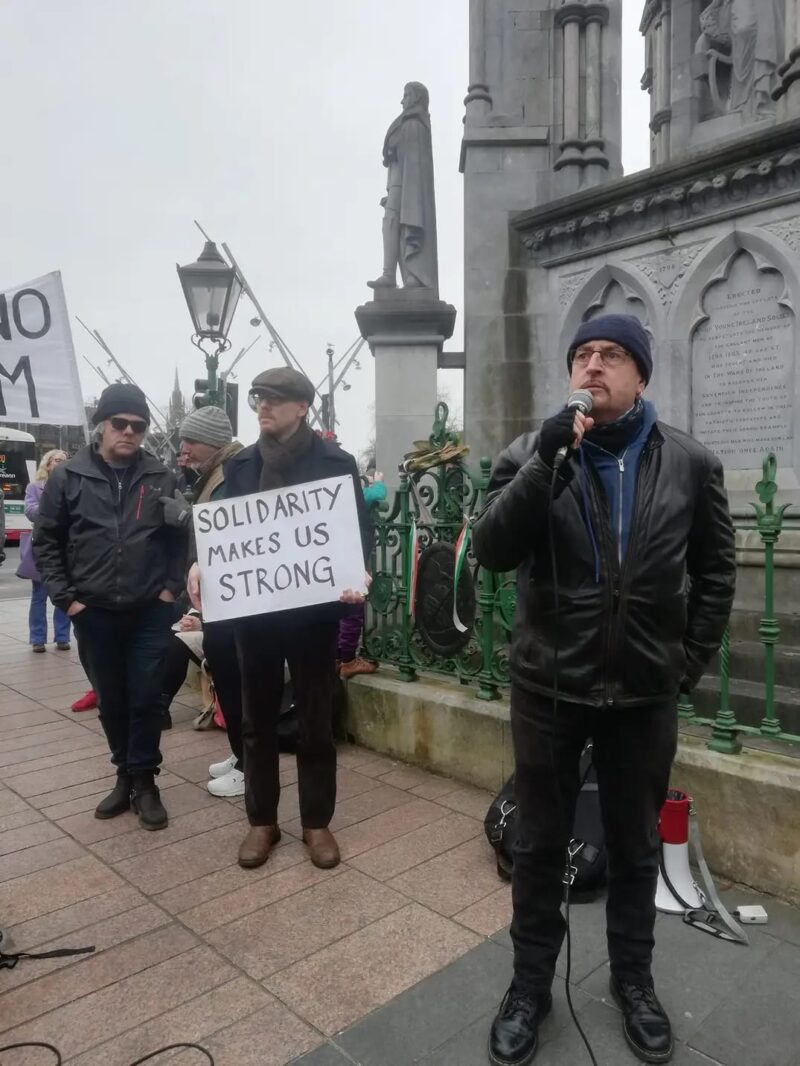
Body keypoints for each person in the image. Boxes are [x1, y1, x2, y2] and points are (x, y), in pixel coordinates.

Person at [472, 314, 736, 1066]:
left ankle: (634, 981)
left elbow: (716, 572)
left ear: (641, 375)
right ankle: (529, 987)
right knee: (537, 844)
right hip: (549, 686)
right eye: (582, 355)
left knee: (634, 843)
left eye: (612, 355)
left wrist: (684, 665)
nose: (593, 366)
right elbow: (491, 548)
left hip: (644, 692)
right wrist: (545, 463)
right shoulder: (531, 452)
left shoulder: (690, 463)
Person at [188, 367, 372, 870]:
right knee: (256, 720)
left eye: (274, 398)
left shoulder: (336, 462)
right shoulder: (242, 464)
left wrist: (357, 574)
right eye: (258, 398)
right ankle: (262, 821)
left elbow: (357, 531)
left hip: (313, 615)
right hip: (256, 617)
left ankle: (316, 822)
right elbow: (220, 530)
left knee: (315, 720)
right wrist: (201, 563)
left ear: (302, 407)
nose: (263, 406)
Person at [34, 383, 187, 831]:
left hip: (149, 610)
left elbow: (180, 540)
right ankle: (125, 774)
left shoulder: (161, 476)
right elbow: (47, 541)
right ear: (102, 424)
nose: (129, 432)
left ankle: (146, 779)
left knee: (146, 697)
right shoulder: (69, 476)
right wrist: (67, 600)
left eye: (139, 426)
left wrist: (170, 591)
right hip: (94, 611)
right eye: (120, 423)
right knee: (111, 699)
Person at [160, 404, 246, 797]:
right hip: (220, 601)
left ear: (212, 442)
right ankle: (242, 754)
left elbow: (230, 531)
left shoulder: (229, 475)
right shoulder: (215, 474)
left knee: (234, 682)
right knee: (227, 679)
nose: (184, 449)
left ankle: (248, 764)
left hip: (232, 604)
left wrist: (185, 517)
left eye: (190, 441)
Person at [367, 81, 439, 292]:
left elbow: (413, 167)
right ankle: (390, 275)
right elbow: (397, 162)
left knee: (398, 224)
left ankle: (411, 275)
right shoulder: (407, 123)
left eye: (406, 95)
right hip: (397, 184)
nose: (402, 100)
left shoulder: (414, 124)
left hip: (406, 187)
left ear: (417, 98)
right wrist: (391, 191)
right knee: (390, 224)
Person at [16, 450, 71, 653]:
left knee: (65, 595)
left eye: (64, 461)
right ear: (47, 464)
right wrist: (51, 505)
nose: (61, 463)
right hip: (43, 547)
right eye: (57, 460)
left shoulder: (72, 486)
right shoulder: (35, 487)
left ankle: (62, 637)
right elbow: (30, 512)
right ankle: (38, 639)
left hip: (66, 547)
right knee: (39, 596)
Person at [337, 470, 385, 679]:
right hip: (352, 557)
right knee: (353, 611)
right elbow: (378, 494)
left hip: (336, 558)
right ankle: (348, 661)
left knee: (338, 610)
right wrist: (378, 481)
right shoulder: (357, 495)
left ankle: (338, 658)